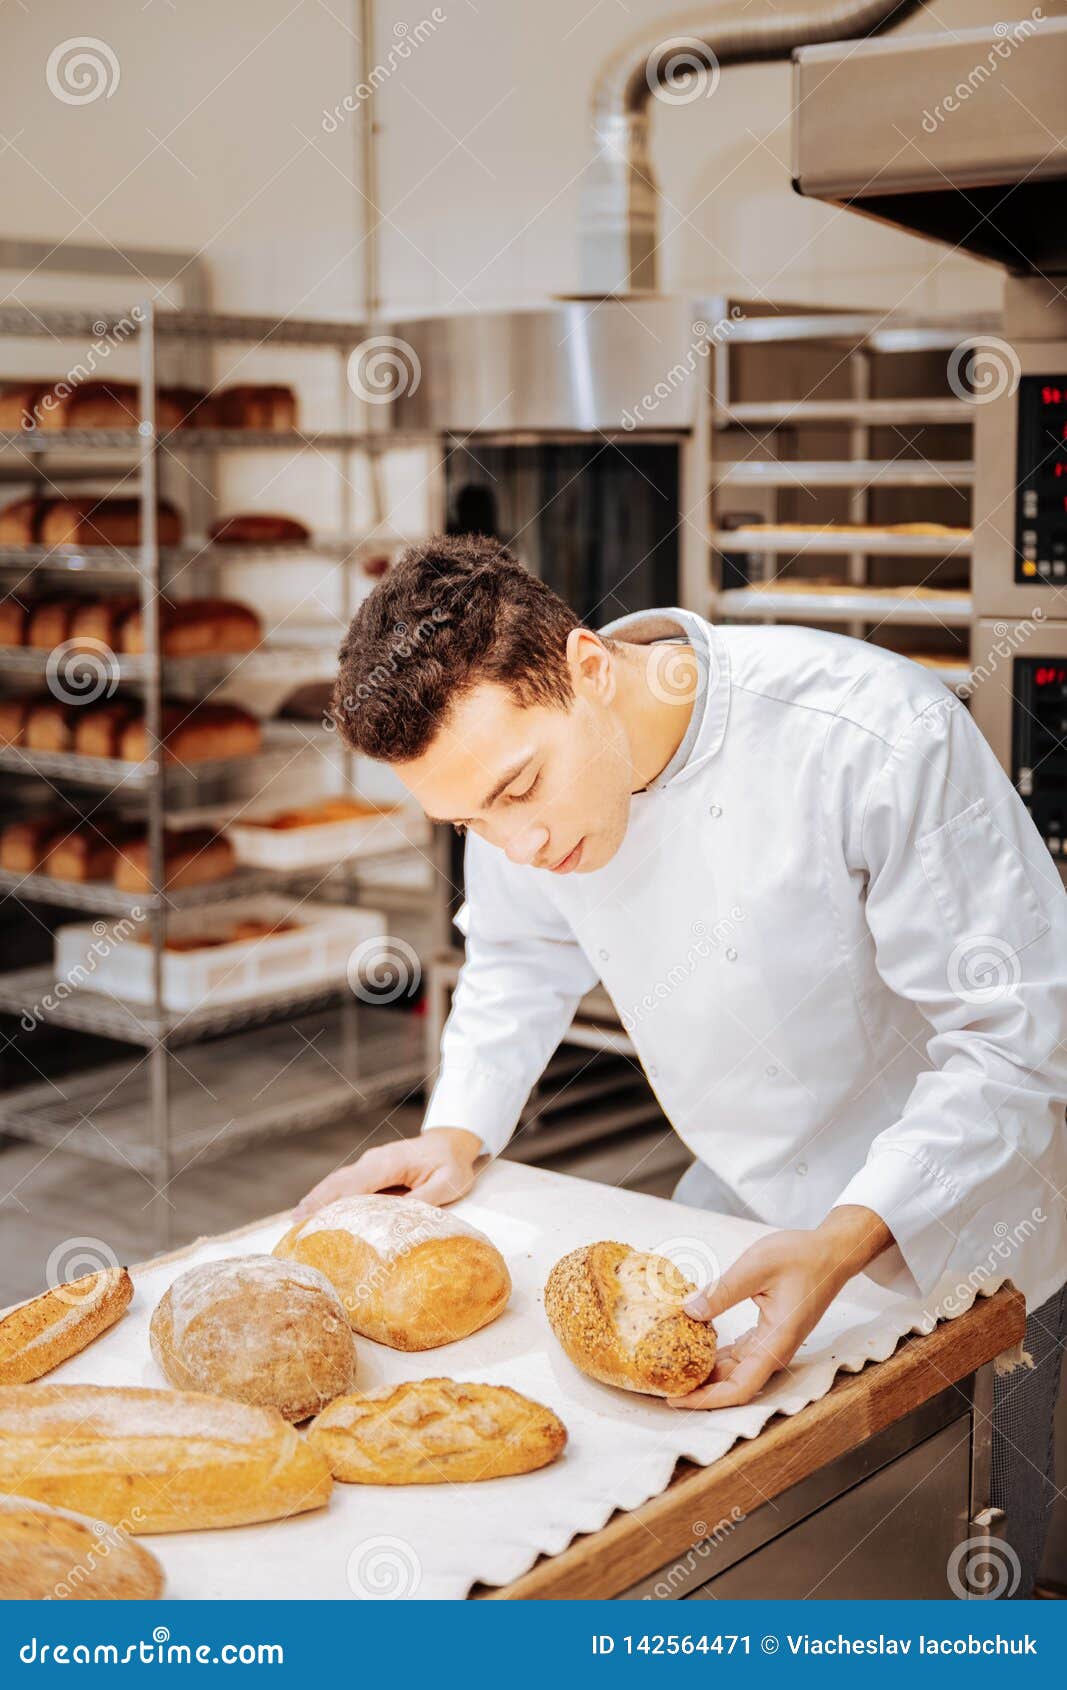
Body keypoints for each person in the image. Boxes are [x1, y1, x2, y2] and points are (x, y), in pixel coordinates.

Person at [295, 533, 1067, 1595]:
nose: (512, 843)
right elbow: (518, 952)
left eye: (519, 792)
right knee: (772, 1555)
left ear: (589, 670)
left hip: (974, 1221)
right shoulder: (500, 773)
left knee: (985, 1553)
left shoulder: (870, 734)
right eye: (470, 818)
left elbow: (1014, 1038)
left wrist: (844, 1235)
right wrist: (457, 1126)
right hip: (738, 1209)